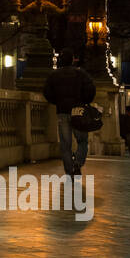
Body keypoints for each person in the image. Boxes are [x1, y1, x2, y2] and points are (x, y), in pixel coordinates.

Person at [43, 48, 97, 177]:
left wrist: (58, 101)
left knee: (65, 144)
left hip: (62, 111)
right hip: (78, 111)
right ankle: (78, 163)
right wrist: (84, 101)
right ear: (73, 60)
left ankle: (69, 170)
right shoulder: (81, 74)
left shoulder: (53, 75)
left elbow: (47, 93)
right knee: (82, 140)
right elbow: (91, 89)